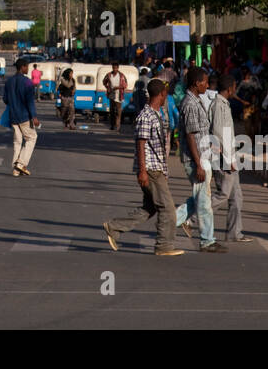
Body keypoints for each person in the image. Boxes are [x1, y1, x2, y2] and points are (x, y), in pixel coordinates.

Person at [103, 79, 184, 256]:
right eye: (165, 94)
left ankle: (114, 227)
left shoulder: (155, 114)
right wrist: (142, 171)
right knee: (167, 208)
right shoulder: (146, 116)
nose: (166, 97)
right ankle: (164, 245)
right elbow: (141, 144)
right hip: (150, 170)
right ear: (161, 94)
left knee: (151, 207)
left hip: (156, 168)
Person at [179, 67, 225, 252]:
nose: (207, 84)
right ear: (196, 83)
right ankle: (207, 240)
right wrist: (198, 164)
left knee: (199, 198)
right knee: (204, 202)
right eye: (205, 81)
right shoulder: (189, 104)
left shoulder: (197, 100)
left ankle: (170, 221)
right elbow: (191, 135)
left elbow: (200, 133)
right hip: (196, 160)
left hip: (204, 156)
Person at [209, 76, 252, 243]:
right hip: (223, 156)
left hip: (229, 154)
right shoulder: (219, 105)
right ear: (230, 89)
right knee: (224, 194)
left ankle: (235, 232)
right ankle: (192, 218)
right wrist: (229, 159)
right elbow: (219, 133)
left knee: (237, 196)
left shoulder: (223, 104)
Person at [4, 58, 39, 176]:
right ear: (22, 67)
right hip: (24, 116)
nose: (28, 69)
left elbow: (5, 99)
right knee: (32, 138)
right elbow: (30, 101)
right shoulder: (27, 82)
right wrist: (34, 116)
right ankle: (21, 163)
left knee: (17, 141)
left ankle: (15, 169)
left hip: (13, 116)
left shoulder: (9, 81)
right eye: (26, 66)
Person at [103, 62, 127, 131]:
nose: (115, 69)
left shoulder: (122, 76)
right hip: (111, 95)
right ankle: (112, 125)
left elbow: (125, 85)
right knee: (112, 111)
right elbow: (104, 81)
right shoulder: (109, 75)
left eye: (116, 68)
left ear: (118, 68)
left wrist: (118, 87)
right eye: (113, 68)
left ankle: (118, 126)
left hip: (119, 95)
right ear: (112, 68)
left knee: (118, 111)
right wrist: (108, 87)